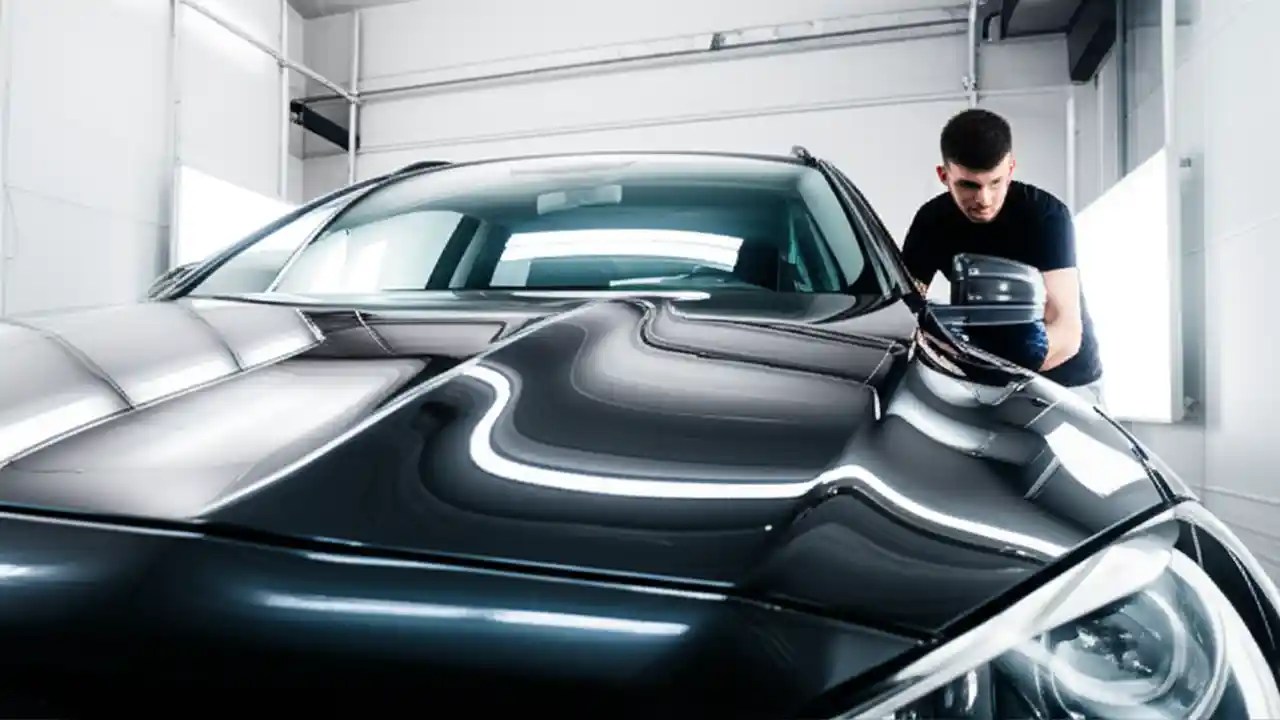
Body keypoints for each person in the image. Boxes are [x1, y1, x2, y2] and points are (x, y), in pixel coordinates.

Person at [901, 108, 1104, 406]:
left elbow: (1066, 328)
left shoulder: (1046, 216)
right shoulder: (931, 222)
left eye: (995, 183)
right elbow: (906, 310)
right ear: (944, 176)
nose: (984, 199)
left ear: (1011, 169)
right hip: (983, 383)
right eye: (968, 185)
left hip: (1069, 382)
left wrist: (997, 372)